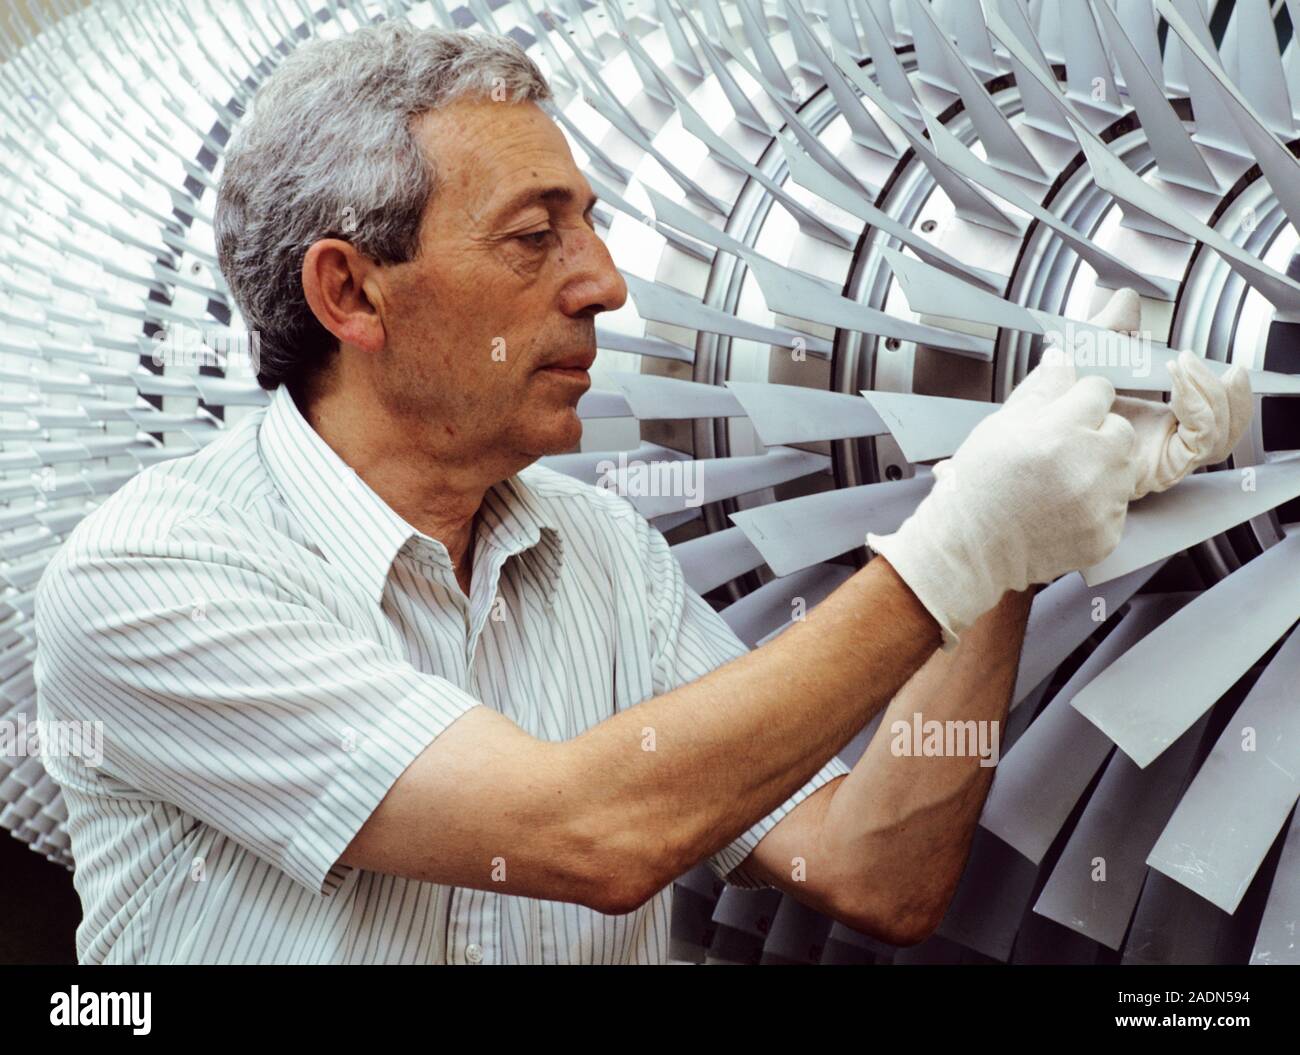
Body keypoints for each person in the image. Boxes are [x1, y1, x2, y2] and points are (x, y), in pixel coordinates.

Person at [32, 22, 1250, 964]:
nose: (605, 284)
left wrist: (1014, 550)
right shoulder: (152, 576)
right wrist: (953, 545)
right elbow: (583, 833)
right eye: (532, 238)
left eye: (592, 228)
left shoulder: (597, 548)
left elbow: (870, 869)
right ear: (351, 295)